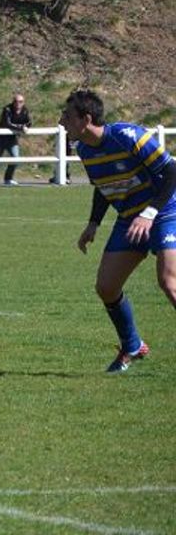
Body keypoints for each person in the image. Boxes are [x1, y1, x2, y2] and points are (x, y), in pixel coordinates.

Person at [61, 89, 176, 373]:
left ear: (85, 119)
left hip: (165, 212)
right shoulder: (85, 150)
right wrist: (93, 223)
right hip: (129, 218)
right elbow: (104, 187)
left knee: (169, 282)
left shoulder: (129, 136)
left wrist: (149, 214)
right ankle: (133, 345)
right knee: (107, 287)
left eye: (66, 115)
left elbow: (173, 172)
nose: (62, 121)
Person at [0, 92, 32, 185]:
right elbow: (6, 123)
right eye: (16, 101)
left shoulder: (25, 110)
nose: (18, 104)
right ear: (13, 102)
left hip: (12, 138)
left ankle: (8, 178)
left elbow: (29, 122)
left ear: (23, 102)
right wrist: (21, 128)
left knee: (15, 158)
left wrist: (24, 127)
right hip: (0, 138)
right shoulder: (7, 109)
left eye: (20, 102)